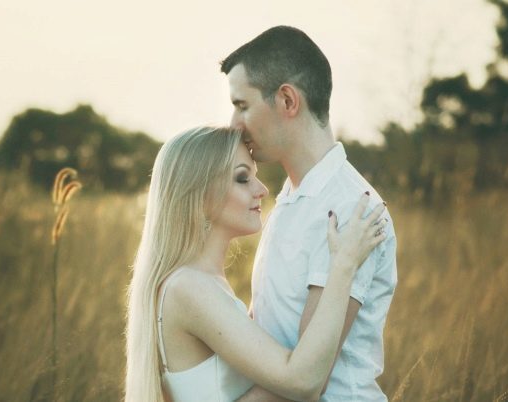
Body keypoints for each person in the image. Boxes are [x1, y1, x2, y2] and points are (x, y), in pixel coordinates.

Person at [124, 126, 388, 402]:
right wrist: (343, 266)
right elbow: (303, 382)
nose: (261, 190)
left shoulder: (206, 284)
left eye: (255, 177)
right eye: (242, 178)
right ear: (200, 195)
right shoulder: (187, 287)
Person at [221, 26, 398, 401]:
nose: (234, 125)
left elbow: (307, 381)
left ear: (287, 100)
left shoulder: (351, 207)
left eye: (242, 106)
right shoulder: (290, 198)